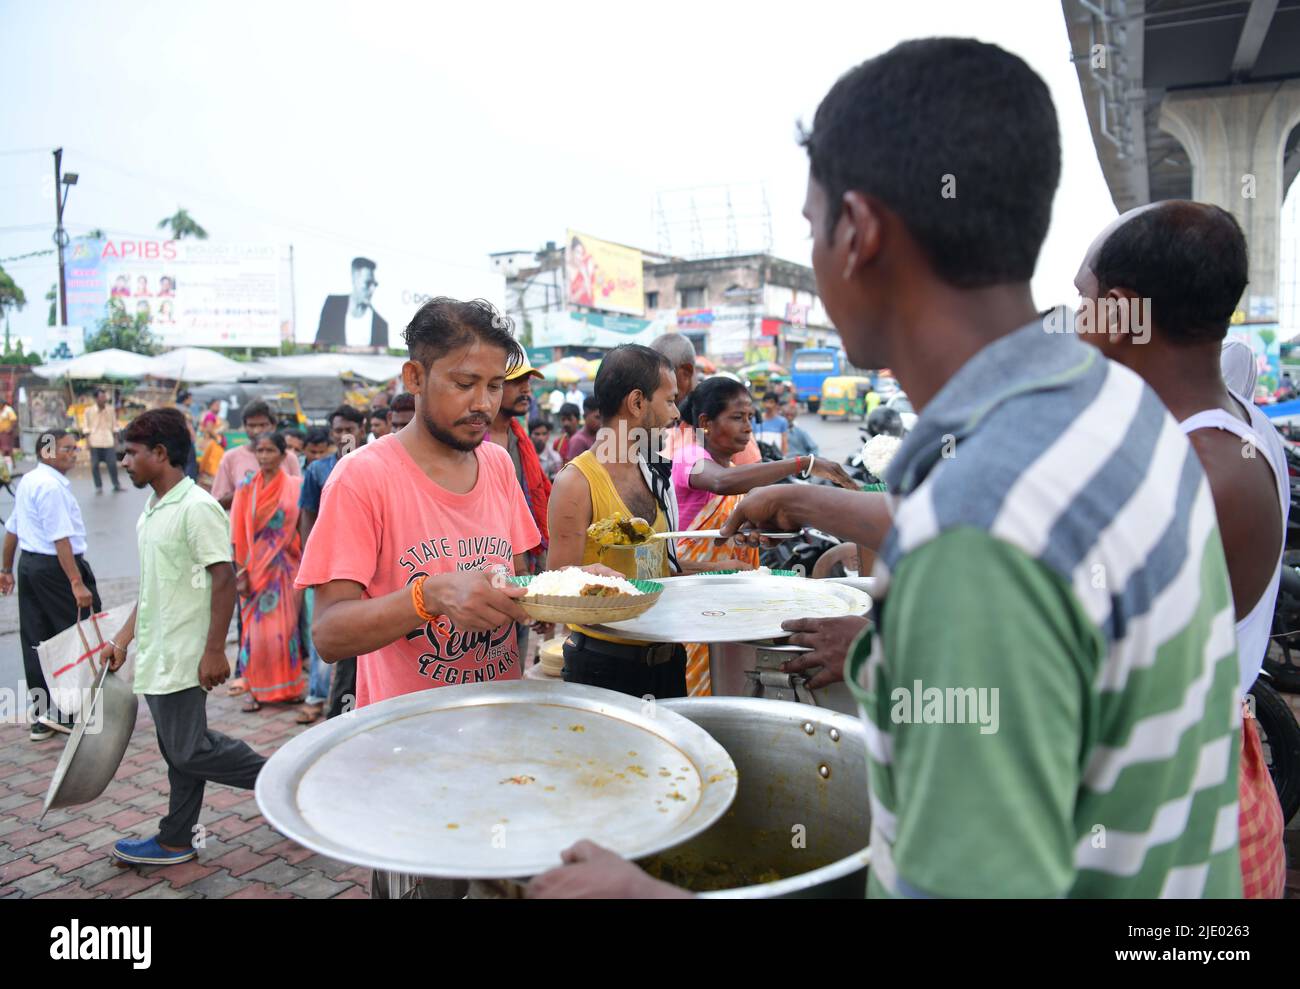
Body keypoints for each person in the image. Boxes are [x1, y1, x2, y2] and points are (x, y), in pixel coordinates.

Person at [531, 38, 1243, 900]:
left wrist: (647, 894)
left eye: (811, 226)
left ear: (858, 234)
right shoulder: (1118, 409)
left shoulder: (976, 524)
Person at [1074, 200, 1289, 899]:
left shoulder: (1189, 472)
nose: (1076, 324)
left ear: (1124, 310)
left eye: (1084, 301)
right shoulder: (1231, 422)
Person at [297, 296, 544, 900]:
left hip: (497, 743)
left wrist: (570, 596)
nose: (484, 403)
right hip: (409, 758)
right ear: (414, 378)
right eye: (465, 383)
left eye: (493, 385)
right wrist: (429, 595)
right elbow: (329, 634)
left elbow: (513, 585)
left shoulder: (498, 464)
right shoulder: (363, 478)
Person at [104, 408, 266, 867]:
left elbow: (224, 579)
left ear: (160, 453)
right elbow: (152, 585)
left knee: (190, 749)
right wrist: (122, 638)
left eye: (131, 453)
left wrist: (215, 650)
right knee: (181, 752)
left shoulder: (197, 507)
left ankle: (283, 780)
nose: (124, 461)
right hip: (158, 652)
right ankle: (176, 839)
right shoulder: (153, 508)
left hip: (185, 655)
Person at [672, 376, 856, 695]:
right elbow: (722, 482)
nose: (748, 427)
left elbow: (728, 528)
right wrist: (804, 463)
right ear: (705, 422)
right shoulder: (689, 457)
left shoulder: (731, 469)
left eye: (750, 418)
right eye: (737, 417)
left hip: (728, 604)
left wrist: (758, 535)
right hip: (696, 602)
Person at [546, 344, 689, 698]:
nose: (675, 413)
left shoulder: (654, 472)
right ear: (637, 402)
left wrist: (727, 570)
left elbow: (660, 566)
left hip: (667, 656)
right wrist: (585, 576)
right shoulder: (576, 482)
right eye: (669, 400)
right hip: (603, 665)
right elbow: (554, 582)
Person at [1, 430, 99, 740]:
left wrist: (7, 568)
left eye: (75, 447)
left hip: (30, 565)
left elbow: (14, 530)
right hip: (55, 568)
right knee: (73, 637)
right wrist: (76, 582)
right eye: (68, 448)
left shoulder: (30, 480)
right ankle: (69, 714)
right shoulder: (51, 487)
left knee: (37, 639)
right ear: (48, 452)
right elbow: (61, 539)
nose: (74, 453)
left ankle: (44, 716)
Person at [296, 405, 367, 724]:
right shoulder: (317, 471)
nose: (343, 436)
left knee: (367, 647)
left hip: (368, 569)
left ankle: (361, 713)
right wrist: (314, 566)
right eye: (337, 430)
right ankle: (334, 714)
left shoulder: (374, 464)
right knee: (333, 642)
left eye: (348, 429)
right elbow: (307, 518)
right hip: (334, 571)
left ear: (362, 429)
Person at [230, 431, 305, 712]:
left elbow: (302, 527)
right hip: (253, 572)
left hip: (285, 570)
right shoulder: (246, 487)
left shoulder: (296, 486)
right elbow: (237, 531)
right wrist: (240, 573)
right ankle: (256, 690)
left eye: (270, 451)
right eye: (260, 451)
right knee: (255, 636)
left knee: (285, 632)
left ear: (283, 455)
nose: (263, 456)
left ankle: (291, 688)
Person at [210, 399, 300, 511]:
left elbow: (298, 497)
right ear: (244, 426)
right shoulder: (231, 457)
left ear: (273, 426)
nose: (257, 431)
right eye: (251, 425)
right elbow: (218, 502)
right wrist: (247, 489)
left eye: (262, 425)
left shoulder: (288, 457)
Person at [314, 257, 388, 349]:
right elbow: (318, 346)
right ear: (354, 278)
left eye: (375, 284)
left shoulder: (381, 325)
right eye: (368, 283)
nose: (372, 289)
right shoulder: (332, 306)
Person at [84, 389, 122, 494]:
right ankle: (98, 486)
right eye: (101, 397)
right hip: (94, 441)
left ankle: (116, 484)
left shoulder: (110, 410)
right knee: (94, 465)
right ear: (96, 399)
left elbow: (114, 425)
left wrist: (116, 438)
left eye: (104, 397)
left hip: (108, 440)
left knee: (112, 464)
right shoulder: (89, 411)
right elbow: (86, 426)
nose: (104, 399)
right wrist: (87, 441)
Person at [563, 395, 601, 464]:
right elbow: (572, 472)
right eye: (597, 417)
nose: (601, 421)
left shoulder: (599, 437)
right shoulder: (578, 440)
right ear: (585, 416)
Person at [753, 391, 789, 456]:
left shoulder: (782, 421)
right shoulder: (756, 419)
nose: (768, 405)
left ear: (777, 404)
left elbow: (784, 442)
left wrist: (784, 458)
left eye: (771, 402)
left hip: (775, 457)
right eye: (766, 402)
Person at [0, 397, 17, 468]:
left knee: (6, 449)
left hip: (6, 433)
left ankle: (8, 465)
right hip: (1, 432)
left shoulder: (8, 409)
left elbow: (14, 419)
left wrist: (10, 428)